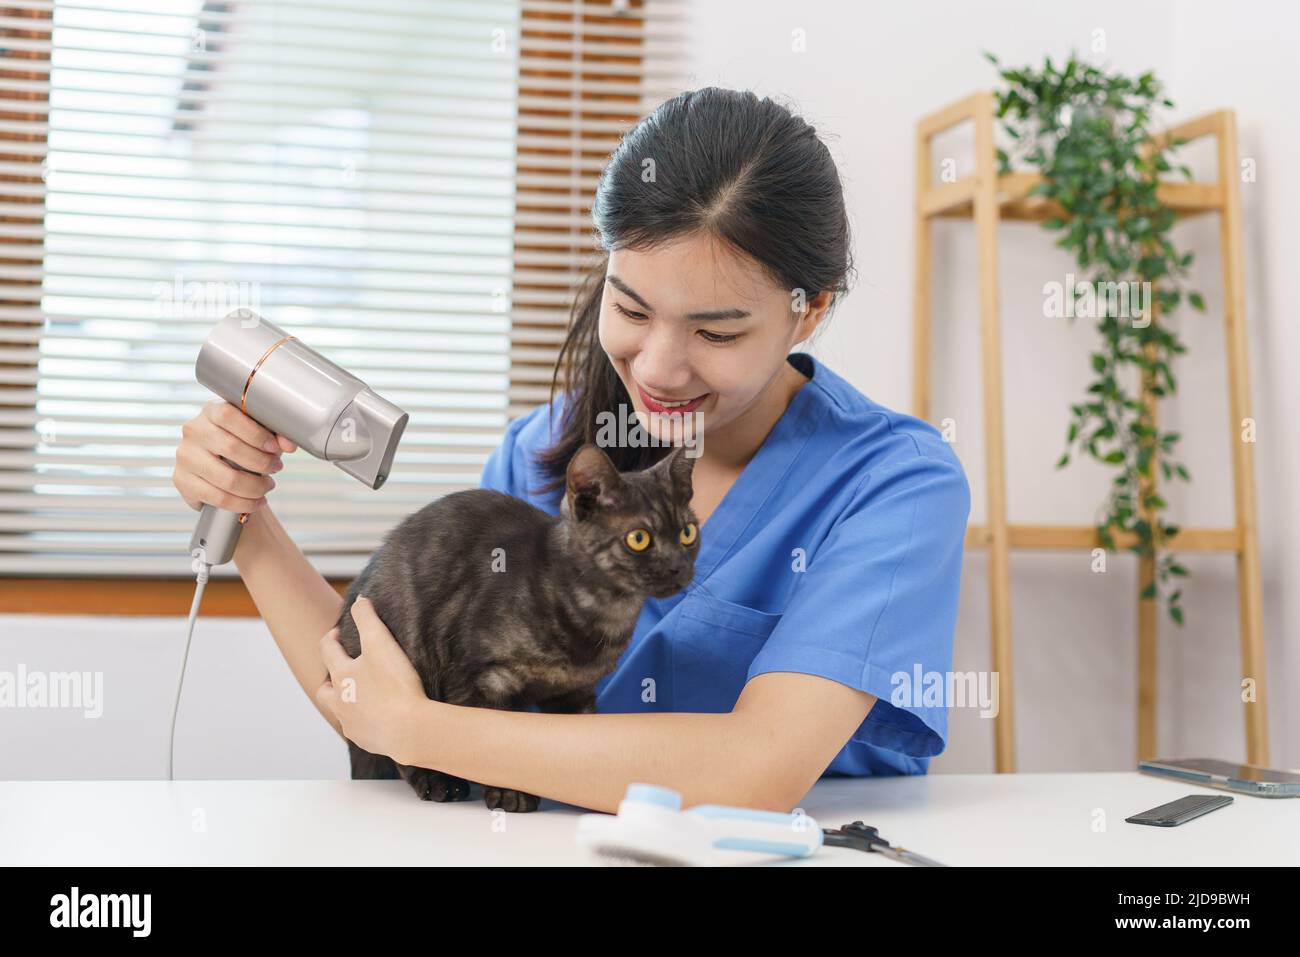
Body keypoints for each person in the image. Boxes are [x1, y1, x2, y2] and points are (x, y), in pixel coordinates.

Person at [171, 87, 970, 814]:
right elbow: (373, 691)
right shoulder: (541, 455)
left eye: (716, 331)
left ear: (808, 313)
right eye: (630, 307)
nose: (657, 368)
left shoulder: (895, 486)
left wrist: (423, 731)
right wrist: (249, 515)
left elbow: (754, 772)